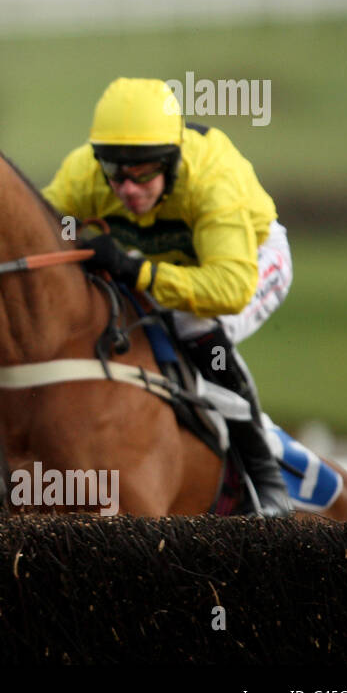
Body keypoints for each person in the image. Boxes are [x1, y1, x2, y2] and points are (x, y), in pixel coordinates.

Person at [43, 77, 294, 516]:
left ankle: (263, 472)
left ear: (173, 161)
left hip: (248, 262)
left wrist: (137, 269)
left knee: (195, 322)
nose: (127, 189)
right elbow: (38, 232)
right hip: (169, 260)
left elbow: (229, 289)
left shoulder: (213, 180)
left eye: (142, 173)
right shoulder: (84, 173)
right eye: (115, 172)